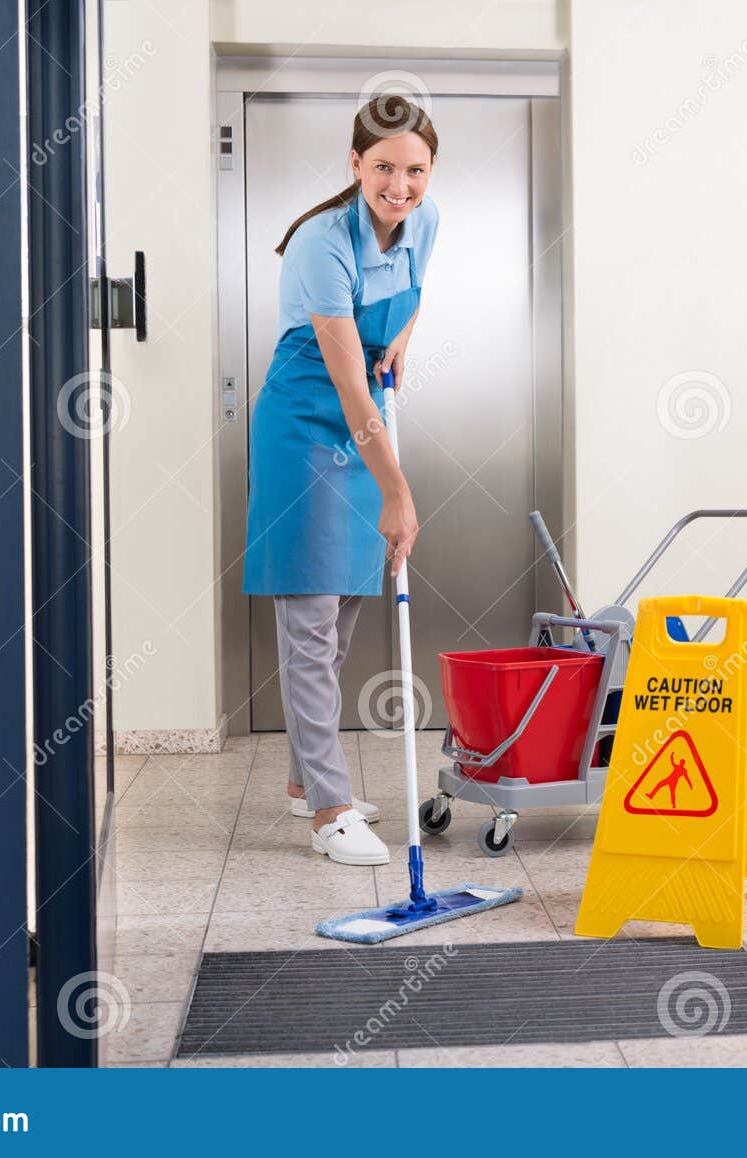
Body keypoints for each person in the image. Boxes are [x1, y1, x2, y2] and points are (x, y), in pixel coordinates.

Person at [241, 95, 439, 867]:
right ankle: (329, 810)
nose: (400, 185)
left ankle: (303, 780)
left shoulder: (425, 220)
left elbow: (414, 296)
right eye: (383, 167)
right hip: (305, 425)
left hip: (365, 425)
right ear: (356, 164)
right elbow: (348, 382)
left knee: (345, 611)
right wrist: (397, 490)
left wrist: (402, 338)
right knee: (311, 620)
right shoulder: (321, 243)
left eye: (415, 170)